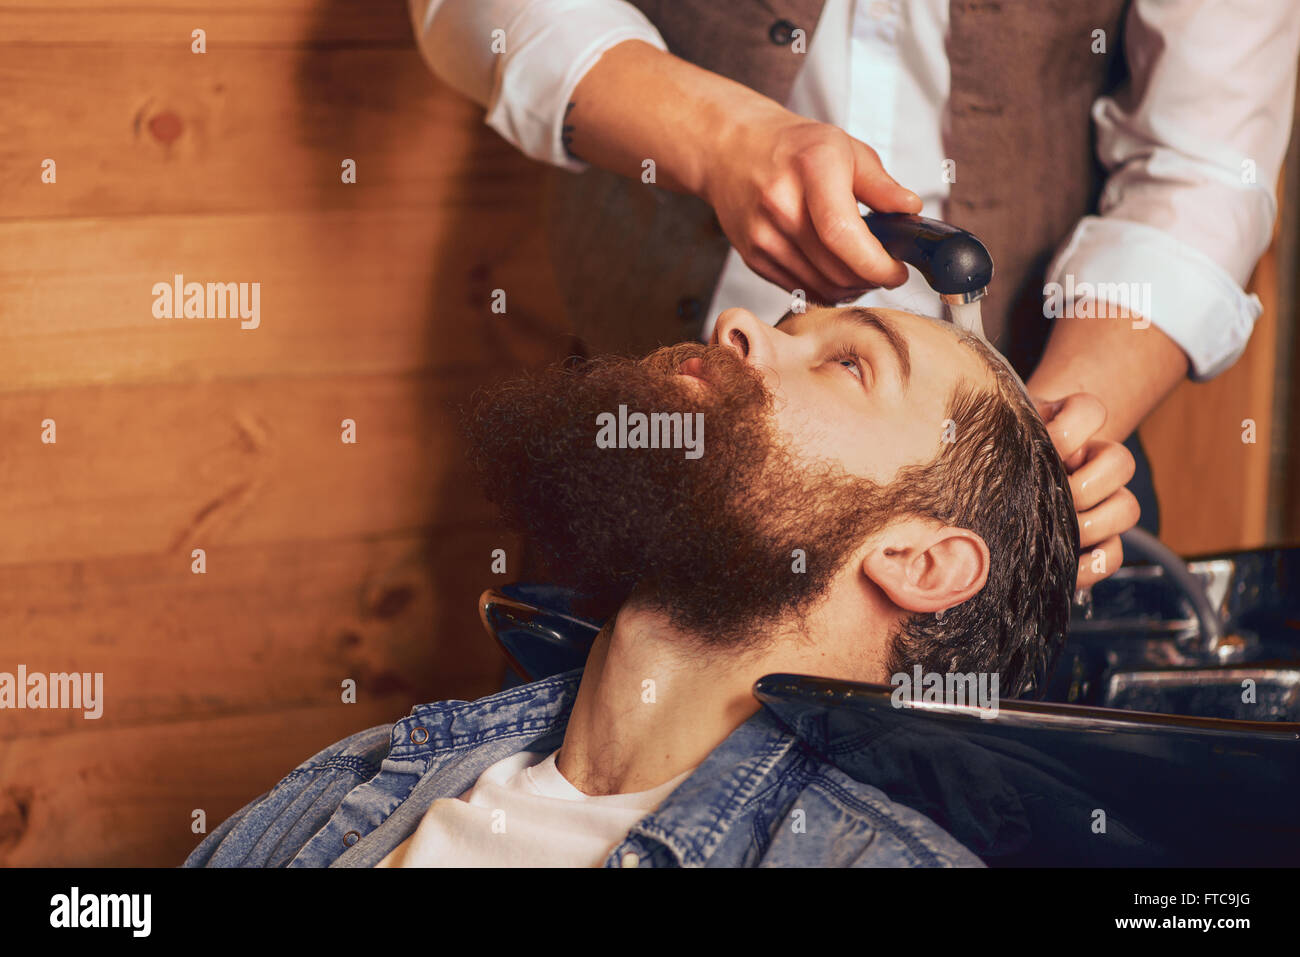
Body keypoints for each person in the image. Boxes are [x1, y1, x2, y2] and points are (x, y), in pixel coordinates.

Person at [407, 0, 1300, 588]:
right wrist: (720, 138)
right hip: (652, 435)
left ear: (932, 566)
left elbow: (1207, 162)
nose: (739, 331)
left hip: (1049, 388)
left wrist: (1041, 446)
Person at [185, 303, 1080, 868]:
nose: (737, 323)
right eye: (790, 323)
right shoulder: (355, 782)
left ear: (920, 562)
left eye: (849, 362)